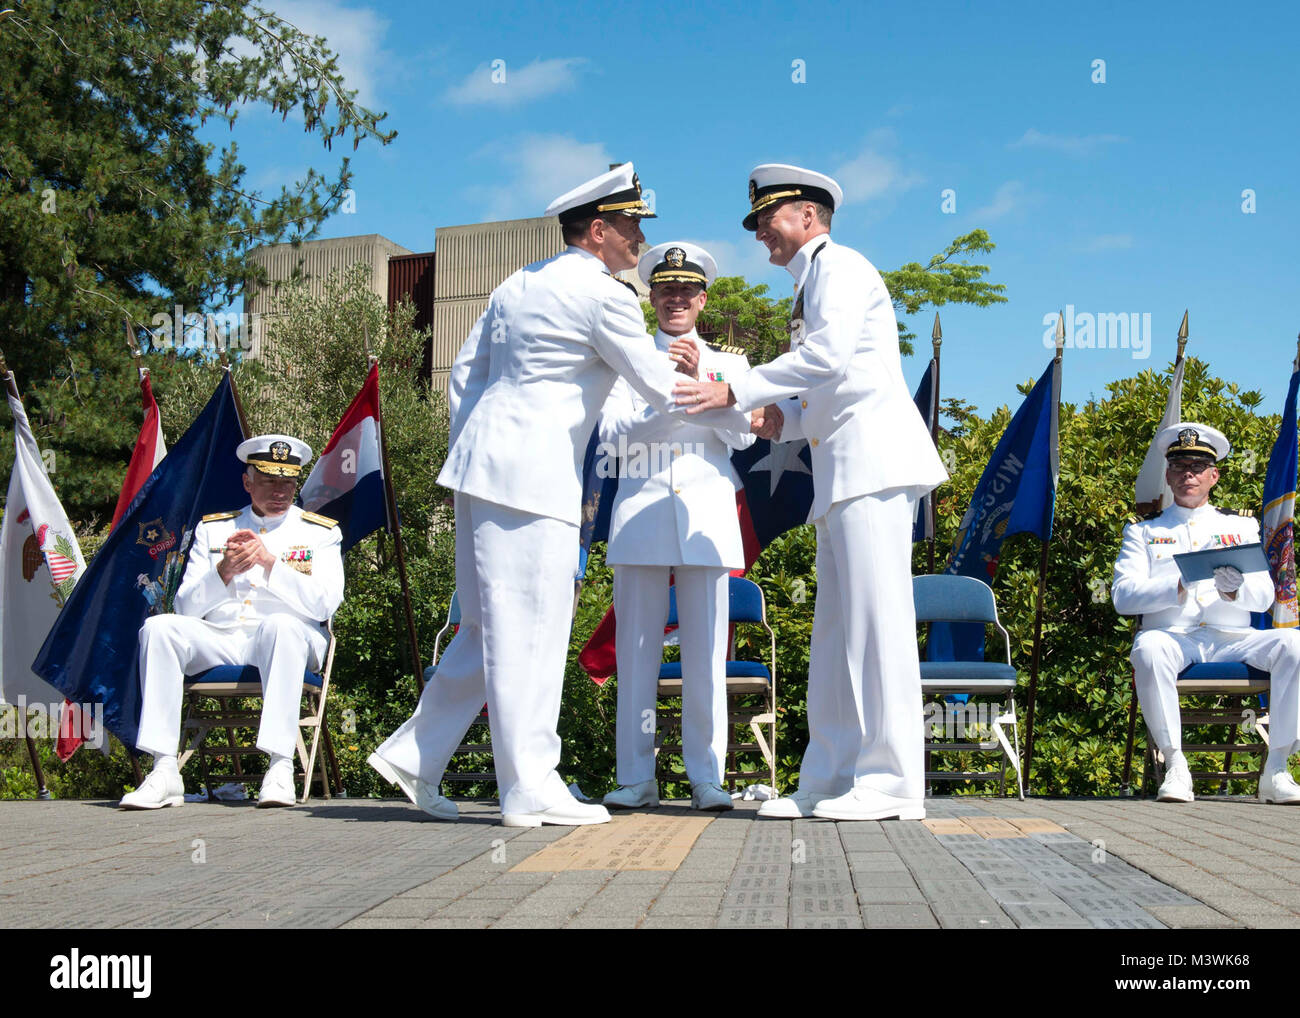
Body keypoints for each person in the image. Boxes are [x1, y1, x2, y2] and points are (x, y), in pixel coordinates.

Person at [369, 164, 756, 827]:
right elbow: (658, 385)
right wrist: (737, 395)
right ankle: (529, 786)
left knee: (489, 626)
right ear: (600, 230)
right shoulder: (605, 296)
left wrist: (482, 445)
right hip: (533, 477)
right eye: (632, 225)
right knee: (533, 627)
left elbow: (467, 373)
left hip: (483, 470)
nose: (639, 238)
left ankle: (413, 756)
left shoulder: (518, 283)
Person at [676, 164, 947, 822]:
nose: (760, 232)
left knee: (875, 627)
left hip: (872, 465)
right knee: (835, 634)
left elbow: (827, 358)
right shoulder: (809, 287)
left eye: (768, 217)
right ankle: (829, 775)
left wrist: (737, 389)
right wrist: (780, 418)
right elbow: (828, 390)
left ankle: (891, 785)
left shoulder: (841, 267)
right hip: (842, 470)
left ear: (807, 214)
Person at [599, 242, 756, 813]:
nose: (676, 299)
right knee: (637, 655)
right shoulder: (628, 359)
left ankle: (706, 777)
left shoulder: (730, 363)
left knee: (706, 655)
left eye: (686, 291)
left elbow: (743, 435)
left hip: (708, 520)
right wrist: (670, 394)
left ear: (702, 299)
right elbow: (614, 438)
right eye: (666, 290)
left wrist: (705, 381)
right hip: (641, 518)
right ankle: (635, 776)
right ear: (652, 298)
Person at [120, 434, 344, 810]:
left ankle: (279, 766)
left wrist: (271, 564)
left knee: (281, 626)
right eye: (270, 480)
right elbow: (186, 606)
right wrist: (222, 571)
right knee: (160, 628)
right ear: (247, 482)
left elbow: (324, 604)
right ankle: (163, 770)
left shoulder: (319, 532)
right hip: (223, 636)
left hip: (287, 639)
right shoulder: (214, 528)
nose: (280, 490)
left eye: (288, 481)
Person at [1113, 422, 1300, 804]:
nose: (1188, 475)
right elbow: (1123, 597)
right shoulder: (1144, 532)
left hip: (1233, 639)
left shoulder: (1239, 525)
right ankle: (1176, 766)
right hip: (1174, 637)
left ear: (1214, 476)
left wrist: (1236, 591)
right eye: (1180, 467)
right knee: (1147, 650)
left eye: (1197, 468)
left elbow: (1265, 595)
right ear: (1167, 475)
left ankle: (1277, 767)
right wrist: (1175, 586)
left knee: (1293, 644)